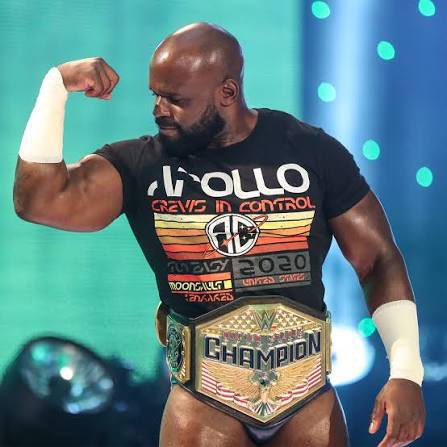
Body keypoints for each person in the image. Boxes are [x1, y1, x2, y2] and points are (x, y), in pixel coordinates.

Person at [14, 22, 425, 447]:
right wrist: (56, 86)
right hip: (203, 401)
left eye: (175, 100)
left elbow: (377, 260)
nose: (159, 110)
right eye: (155, 95)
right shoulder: (142, 164)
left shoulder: (308, 150)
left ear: (227, 92)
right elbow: (39, 201)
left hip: (306, 398)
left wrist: (406, 372)